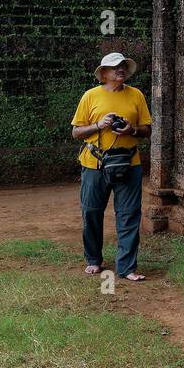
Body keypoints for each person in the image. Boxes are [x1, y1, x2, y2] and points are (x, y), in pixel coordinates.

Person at [71, 51, 152, 282]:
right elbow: (76, 132)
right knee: (92, 212)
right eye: (116, 66)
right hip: (94, 163)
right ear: (104, 73)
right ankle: (93, 259)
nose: (121, 69)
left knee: (129, 214)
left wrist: (131, 130)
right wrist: (99, 125)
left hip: (128, 163)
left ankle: (126, 267)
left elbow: (147, 129)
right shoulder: (90, 96)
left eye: (123, 66)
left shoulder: (136, 95)